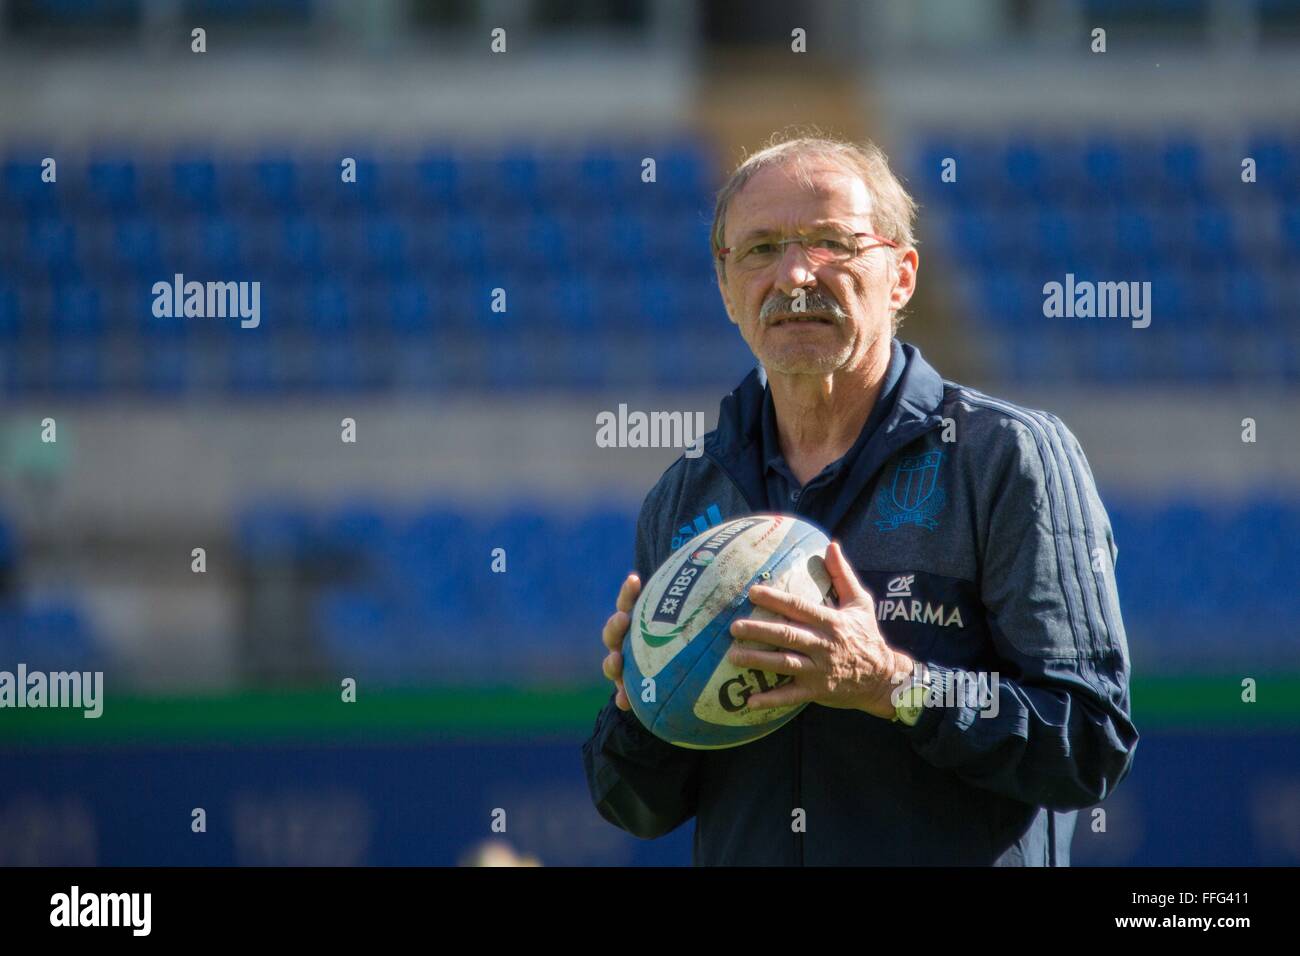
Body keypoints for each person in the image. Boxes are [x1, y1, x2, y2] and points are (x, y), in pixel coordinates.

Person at [581, 131, 1138, 865]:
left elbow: (1088, 742)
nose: (795, 274)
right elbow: (636, 808)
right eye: (760, 249)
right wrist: (641, 708)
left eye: (832, 243)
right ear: (725, 286)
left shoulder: (1007, 457)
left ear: (902, 275)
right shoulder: (686, 494)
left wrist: (894, 685)